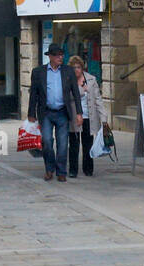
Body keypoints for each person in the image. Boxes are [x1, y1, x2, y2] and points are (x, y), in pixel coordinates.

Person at [27, 43, 82, 182]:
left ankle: (61, 171)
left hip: (62, 112)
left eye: (62, 55)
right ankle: (49, 169)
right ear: (50, 56)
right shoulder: (38, 72)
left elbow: (75, 92)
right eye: (57, 55)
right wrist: (31, 114)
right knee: (46, 141)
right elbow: (33, 93)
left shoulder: (68, 71)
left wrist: (79, 113)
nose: (60, 57)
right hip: (46, 112)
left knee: (63, 143)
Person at [67, 55, 107, 178]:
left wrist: (104, 118)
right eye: (73, 68)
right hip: (74, 117)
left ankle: (88, 169)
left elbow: (98, 99)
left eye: (78, 67)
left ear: (82, 67)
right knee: (73, 145)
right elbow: (67, 98)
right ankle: (73, 170)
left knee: (87, 144)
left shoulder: (91, 79)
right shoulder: (68, 80)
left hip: (89, 117)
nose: (76, 70)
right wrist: (81, 91)